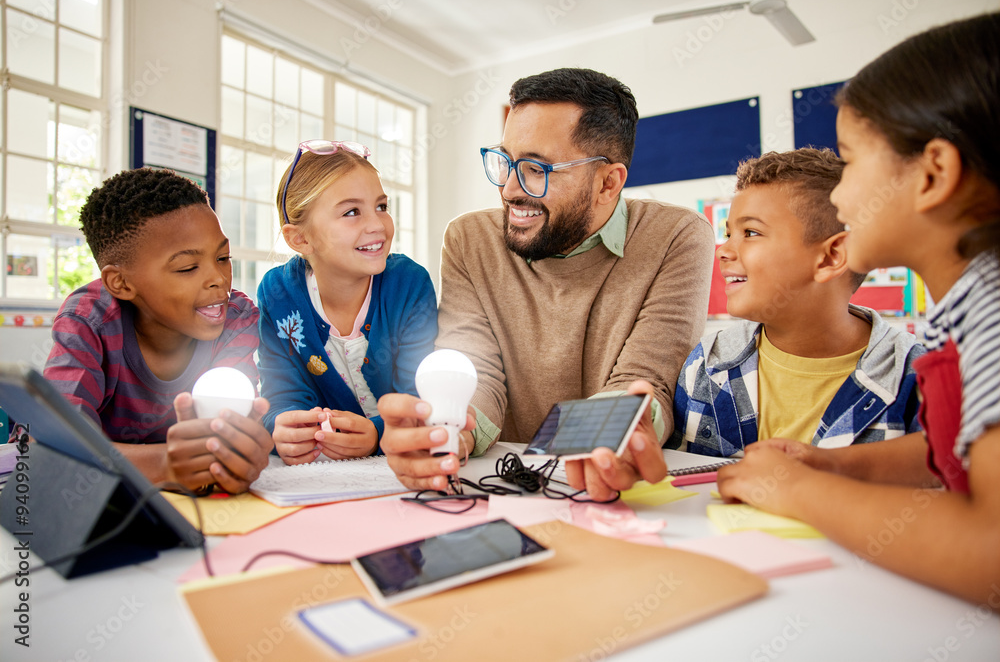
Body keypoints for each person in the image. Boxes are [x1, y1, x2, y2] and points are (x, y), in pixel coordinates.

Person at [717, 12, 1000, 606]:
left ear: (933, 175)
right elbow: (950, 453)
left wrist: (797, 490)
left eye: (851, 162)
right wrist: (831, 466)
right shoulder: (966, 310)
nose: (840, 195)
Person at [378, 68, 715, 499]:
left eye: (537, 168)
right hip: (499, 488)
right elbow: (476, 369)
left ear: (608, 183)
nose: (510, 189)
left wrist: (603, 440)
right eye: (506, 162)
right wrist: (452, 431)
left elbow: (648, 378)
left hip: (622, 492)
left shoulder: (677, 236)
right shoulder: (468, 239)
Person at [671, 148, 924, 456]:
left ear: (831, 256)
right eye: (728, 233)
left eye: (750, 232)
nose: (724, 251)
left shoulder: (918, 380)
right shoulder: (705, 365)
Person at [44, 168, 272, 494]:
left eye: (223, 257)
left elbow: (230, 442)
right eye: (187, 268)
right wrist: (164, 465)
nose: (219, 279)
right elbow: (57, 443)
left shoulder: (236, 320)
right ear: (120, 283)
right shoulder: (89, 321)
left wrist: (240, 454)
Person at [257, 141, 437, 465]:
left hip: (404, 467)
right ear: (300, 238)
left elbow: (422, 398)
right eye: (352, 212)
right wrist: (282, 430)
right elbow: (280, 397)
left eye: (382, 206)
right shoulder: (277, 294)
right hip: (320, 474)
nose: (378, 225)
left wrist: (378, 435)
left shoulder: (409, 285)